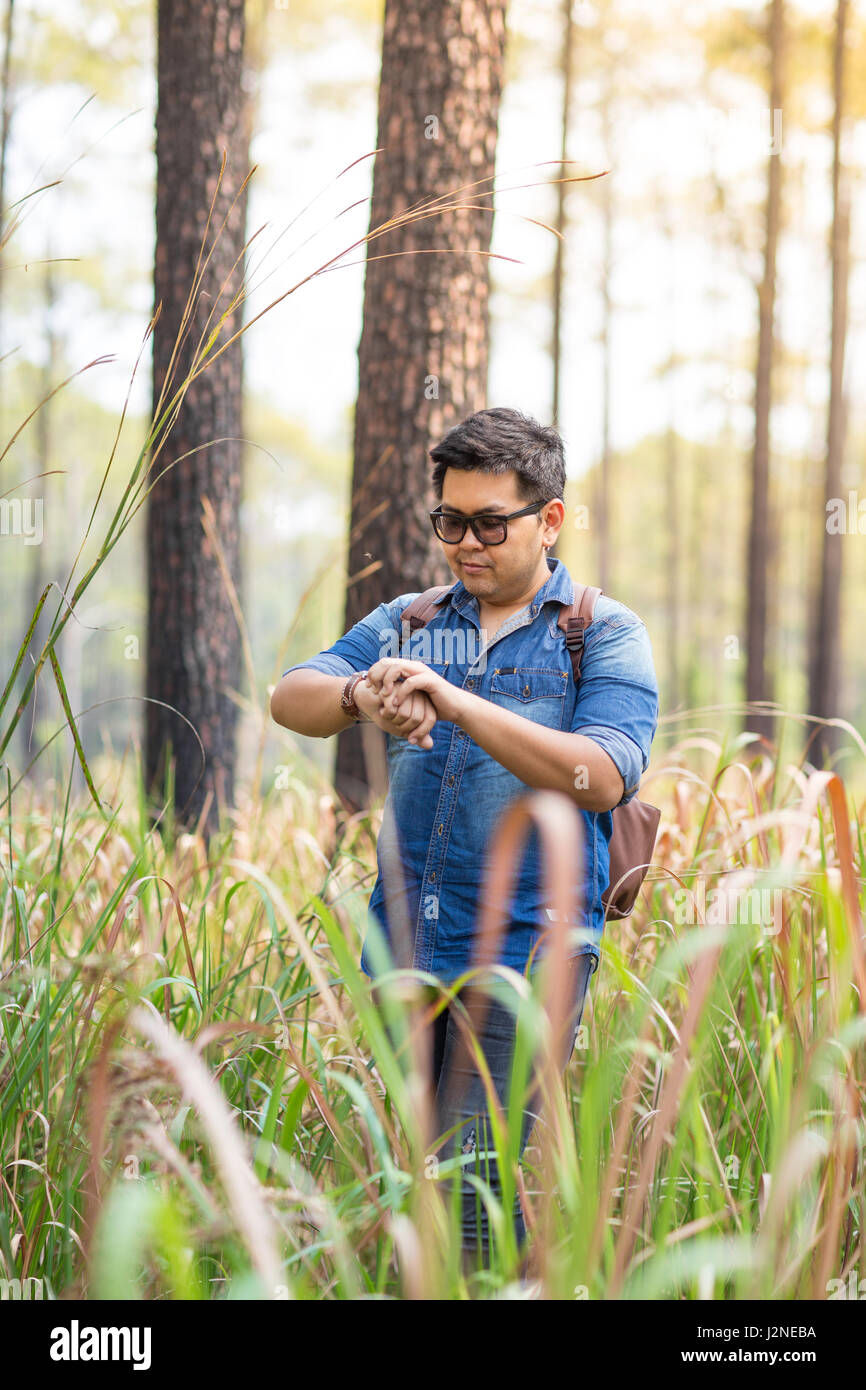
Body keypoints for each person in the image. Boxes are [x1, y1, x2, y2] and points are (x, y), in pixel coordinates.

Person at [270, 406, 659, 1268]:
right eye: (449, 521)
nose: (465, 543)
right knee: (413, 1178)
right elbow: (291, 694)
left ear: (549, 520)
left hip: (529, 953)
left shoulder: (600, 630)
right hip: (403, 939)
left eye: (490, 523)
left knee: (470, 1179)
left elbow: (607, 769)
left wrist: (458, 702)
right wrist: (359, 697)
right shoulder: (413, 619)